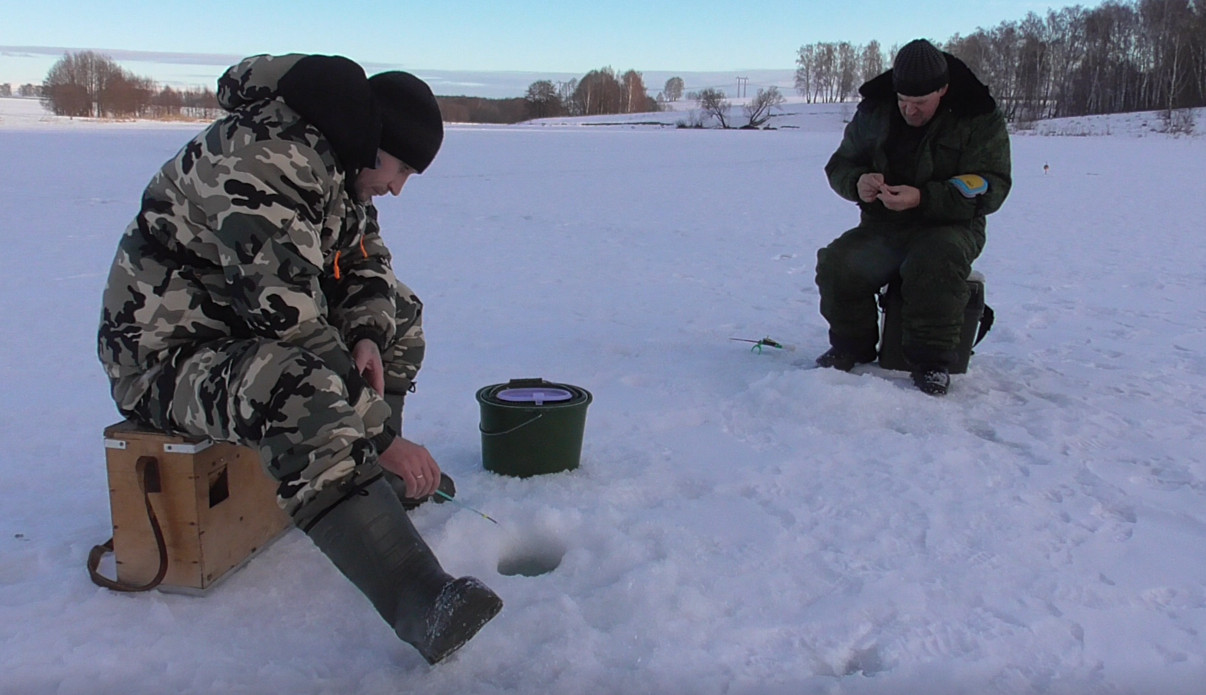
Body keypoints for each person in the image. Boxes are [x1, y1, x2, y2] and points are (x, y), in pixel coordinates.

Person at [97, 53, 501, 664]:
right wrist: (382, 434)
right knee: (296, 385)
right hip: (166, 355)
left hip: (236, 332)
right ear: (375, 141)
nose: (397, 187)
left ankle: (367, 486)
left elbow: (365, 261)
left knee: (399, 315)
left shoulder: (339, 164)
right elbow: (288, 323)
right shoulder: (268, 160)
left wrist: (366, 334)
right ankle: (419, 598)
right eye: (400, 169)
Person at [814, 39, 1011, 395]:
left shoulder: (977, 115)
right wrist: (857, 182)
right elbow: (841, 164)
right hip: (884, 226)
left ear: (943, 90)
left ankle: (932, 362)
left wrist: (924, 198)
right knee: (838, 264)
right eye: (903, 100)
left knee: (934, 260)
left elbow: (992, 185)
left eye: (920, 103)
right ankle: (851, 347)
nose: (909, 110)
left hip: (952, 227)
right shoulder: (875, 110)